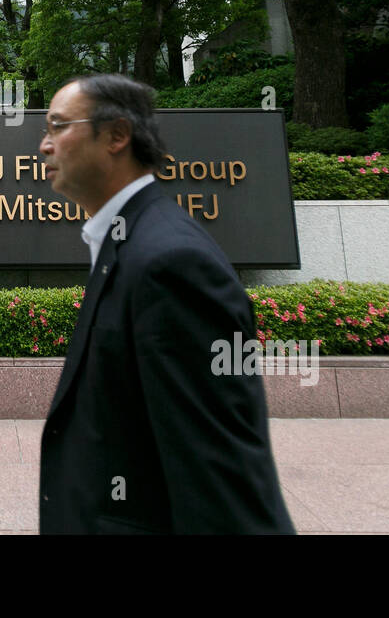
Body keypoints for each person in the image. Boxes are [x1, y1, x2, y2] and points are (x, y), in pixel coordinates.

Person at [37, 73, 295, 534]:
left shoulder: (170, 264)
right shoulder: (129, 242)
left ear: (117, 135)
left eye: (58, 126)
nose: (44, 145)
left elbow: (219, 474)